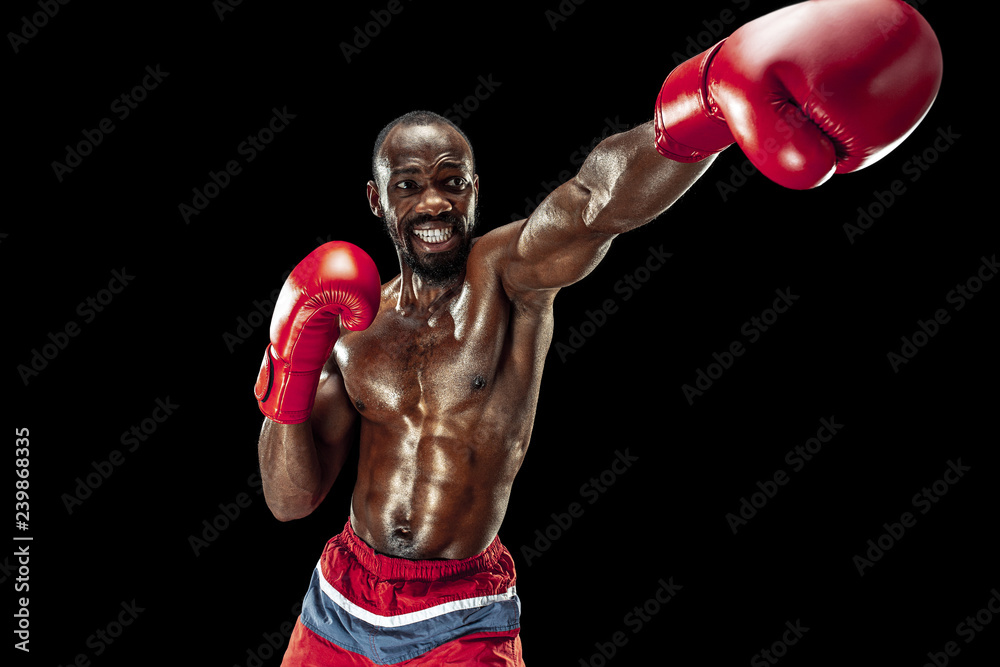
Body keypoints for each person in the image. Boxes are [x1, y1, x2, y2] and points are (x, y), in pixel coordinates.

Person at [254, 1, 942, 663]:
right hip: (341, 600)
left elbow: (592, 204)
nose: (433, 201)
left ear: (474, 188)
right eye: (407, 185)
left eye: (450, 181)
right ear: (377, 198)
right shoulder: (350, 322)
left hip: (456, 619)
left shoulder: (508, 277)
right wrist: (286, 371)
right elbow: (291, 501)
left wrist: (708, 102)